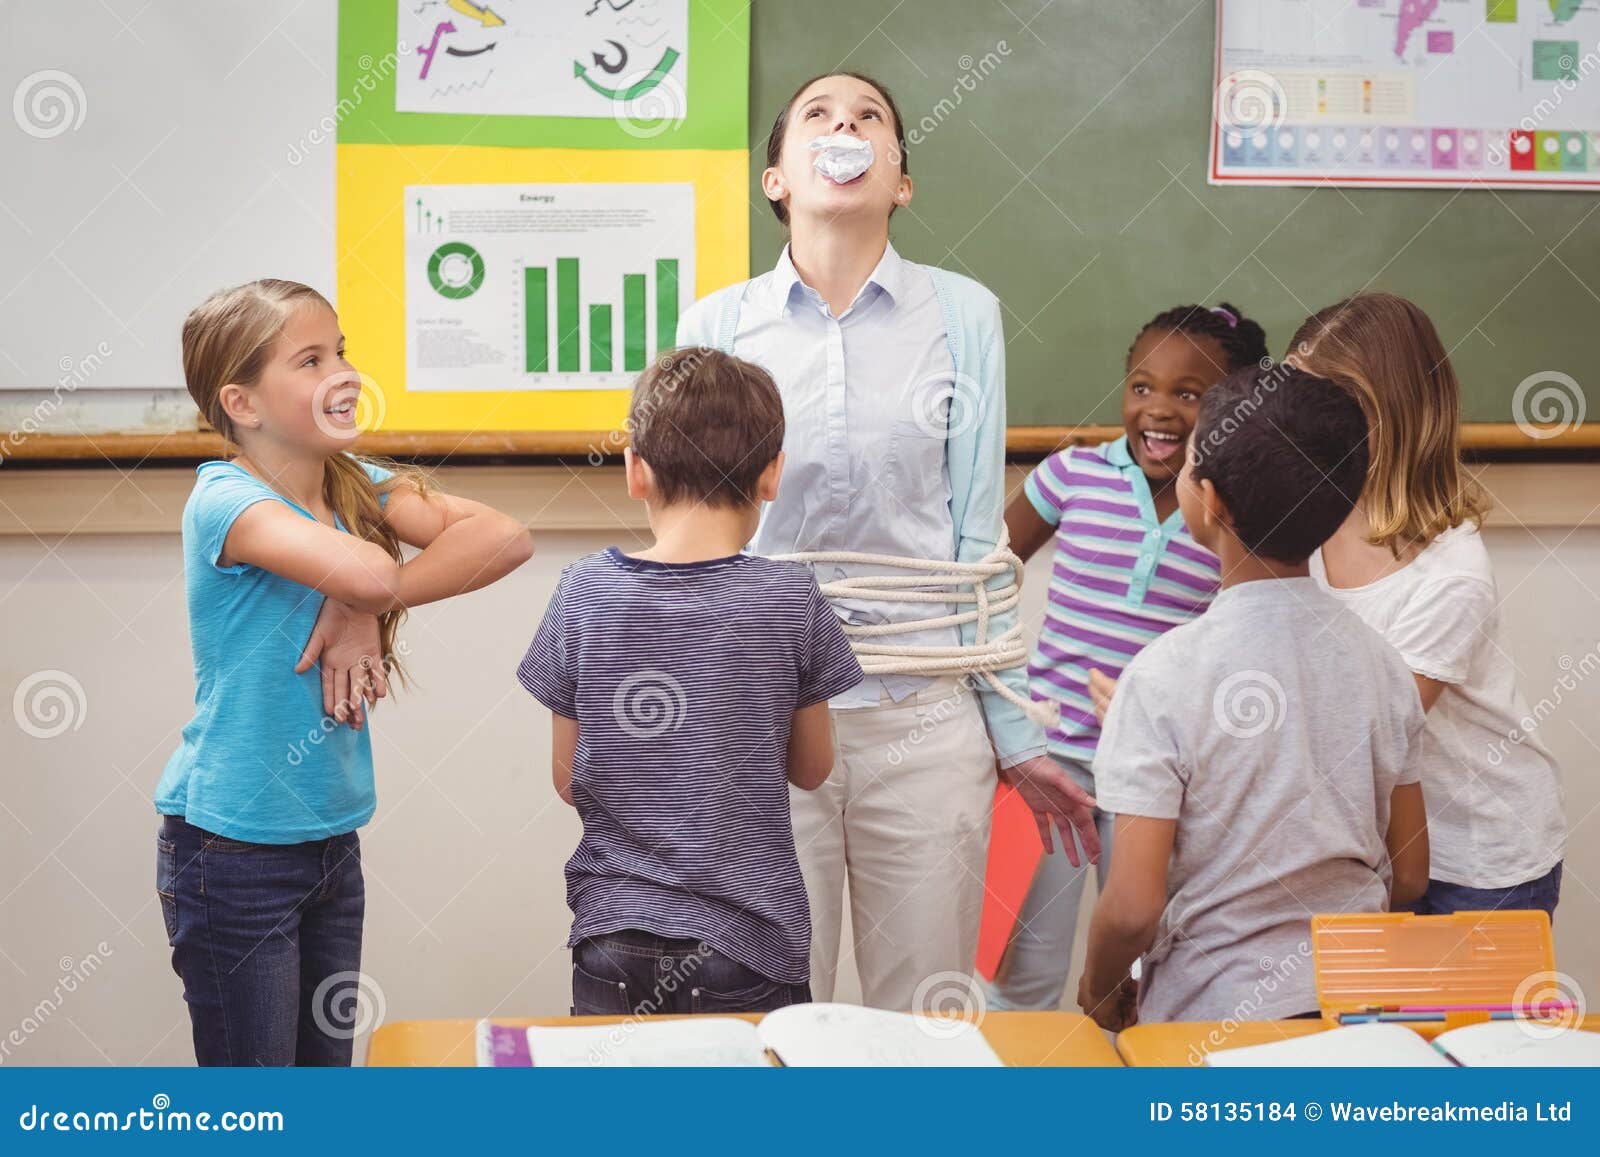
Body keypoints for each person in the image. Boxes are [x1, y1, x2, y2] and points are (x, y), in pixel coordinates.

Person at [675, 71, 1098, 1009]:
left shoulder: (963, 313)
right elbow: (694, 538)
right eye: (819, 117)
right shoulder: (714, 324)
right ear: (777, 178)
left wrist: (1015, 732)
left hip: (924, 713)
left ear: (900, 179)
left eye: (870, 117)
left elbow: (976, 543)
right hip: (767, 717)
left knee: (926, 1011)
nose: (846, 127)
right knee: (780, 1001)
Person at [158, 279, 532, 1065]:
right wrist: (362, 591)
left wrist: (366, 605)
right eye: (311, 360)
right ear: (245, 403)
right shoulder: (225, 500)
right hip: (231, 849)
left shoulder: (352, 480)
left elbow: (503, 538)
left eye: (343, 353)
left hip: (329, 840)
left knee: (325, 1090)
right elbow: (364, 570)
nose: (343, 374)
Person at [1079, 365, 1429, 1028]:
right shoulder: (1384, 666)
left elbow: (1130, 907)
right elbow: (1410, 875)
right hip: (1361, 1017)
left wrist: (1097, 987)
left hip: (1212, 1026)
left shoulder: (1161, 677)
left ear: (1210, 501)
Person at [518, 348, 865, 1015]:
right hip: (750, 943)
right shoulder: (791, 596)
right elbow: (815, 768)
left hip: (611, 933)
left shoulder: (583, 590)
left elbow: (568, 779)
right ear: (772, 476)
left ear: (635, 471)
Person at [987, 303, 1267, 1011]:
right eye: (1142, 387)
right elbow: (980, 584)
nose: (1158, 411)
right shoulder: (1072, 476)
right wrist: (1002, 706)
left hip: (1157, 773)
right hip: (1051, 765)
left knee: (1142, 972)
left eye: (1188, 393)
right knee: (1024, 974)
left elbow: (1245, 638)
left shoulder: (1229, 510)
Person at [1294, 292, 1565, 917]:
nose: (1296, 422)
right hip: (1374, 849)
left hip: (1477, 863)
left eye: (1321, 403)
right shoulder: (1302, 528)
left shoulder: (1451, 574)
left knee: (1469, 1020)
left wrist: (1199, 730)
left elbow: (1366, 735)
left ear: (1388, 415)